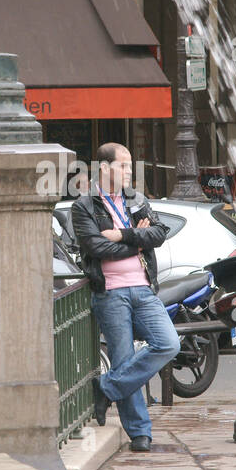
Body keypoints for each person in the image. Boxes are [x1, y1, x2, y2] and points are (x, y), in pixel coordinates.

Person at [71, 143, 180, 453]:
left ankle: (106, 388)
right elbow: (97, 249)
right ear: (104, 168)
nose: (130, 171)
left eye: (130, 165)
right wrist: (138, 240)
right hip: (111, 292)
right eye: (123, 165)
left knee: (169, 343)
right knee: (123, 359)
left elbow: (159, 233)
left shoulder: (136, 200)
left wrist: (122, 235)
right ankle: (140, 433)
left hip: (143, 288)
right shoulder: (84, 206)